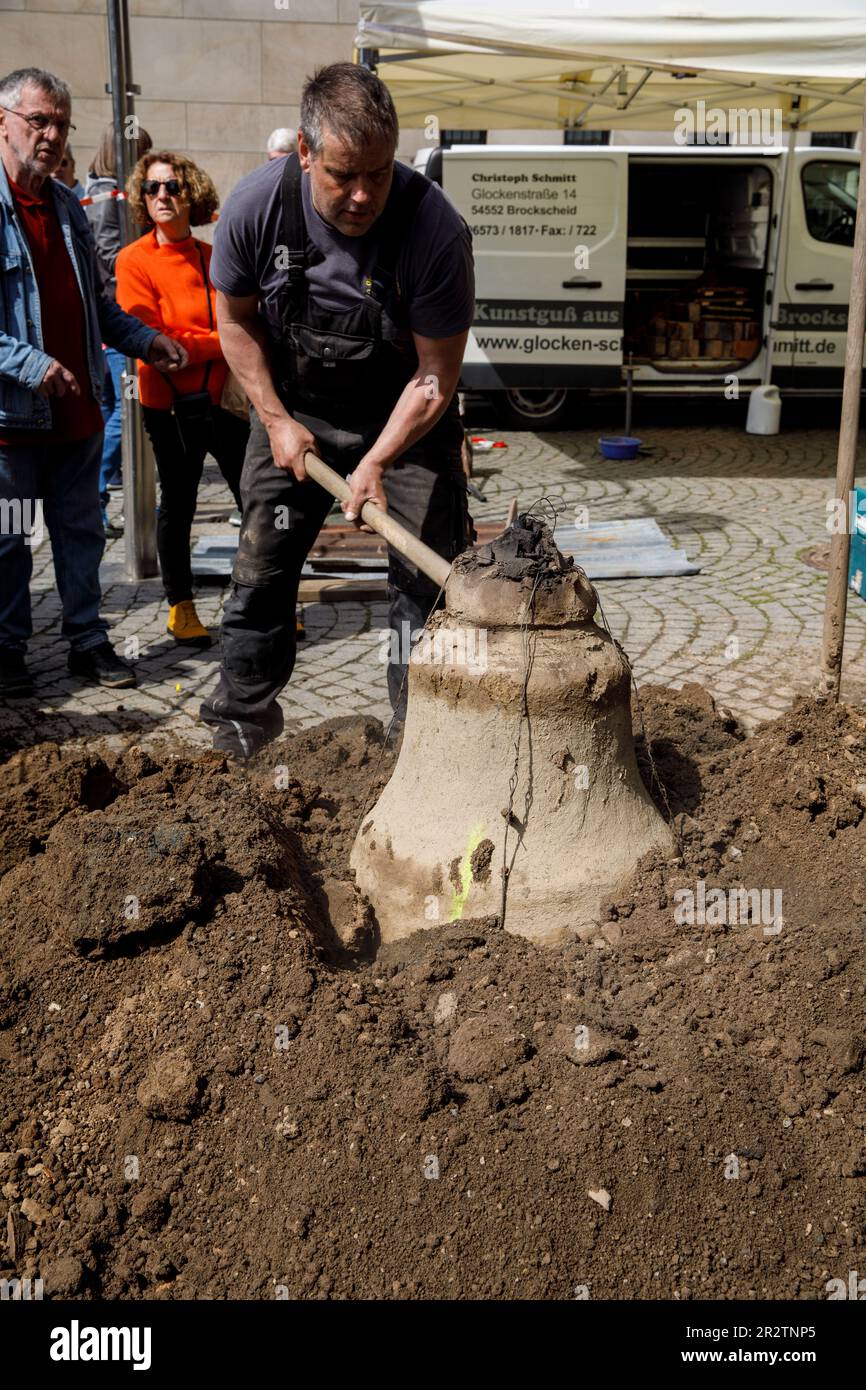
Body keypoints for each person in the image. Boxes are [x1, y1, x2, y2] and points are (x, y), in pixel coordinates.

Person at [200, 62, 474, 759]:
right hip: (296, 412)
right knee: (261, 570)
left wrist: (378, 459)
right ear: (303, 151)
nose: (362, 196)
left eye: (378, 175)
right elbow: (232, 323)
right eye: (342, 176)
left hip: (408, 422)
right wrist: (275, 418)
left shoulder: (434, 230)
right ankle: (241, 728)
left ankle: (421, 745)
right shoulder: (254, 208)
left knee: (424, 584)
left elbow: (437, 375)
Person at [0, 67, 188, 698]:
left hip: (78, 410)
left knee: (81, 534)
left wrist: (146, 340)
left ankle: (86, 640)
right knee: (9, 539)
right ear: (3, 121)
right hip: (11, 420)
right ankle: (7, 651)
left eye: (60, 123)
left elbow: (99, 307)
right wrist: (30, 364)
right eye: (38, 121)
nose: (51, 135)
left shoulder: (65, 205)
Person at [116, 151, 247, 648]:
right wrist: (218, 342)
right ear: (142, 199)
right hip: (167, 404)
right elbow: (151, 340)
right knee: (180, 503)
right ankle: (180, 606)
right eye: (152, 189)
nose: (162, 196)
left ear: (192, 193)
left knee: (254, 499)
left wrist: (193, 341)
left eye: (172, 186)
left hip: (223, 403)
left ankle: (261, 598)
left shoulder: (213, 257)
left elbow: (229, 327)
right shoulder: (133, 260)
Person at [85, 121, 153, 535]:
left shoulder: (102, 191)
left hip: (111, 317)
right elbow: (111, 255)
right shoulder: (107, 196)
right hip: (118, 316)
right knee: (125, 413)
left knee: (111, 409)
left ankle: (96, 501)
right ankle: (96, 497)